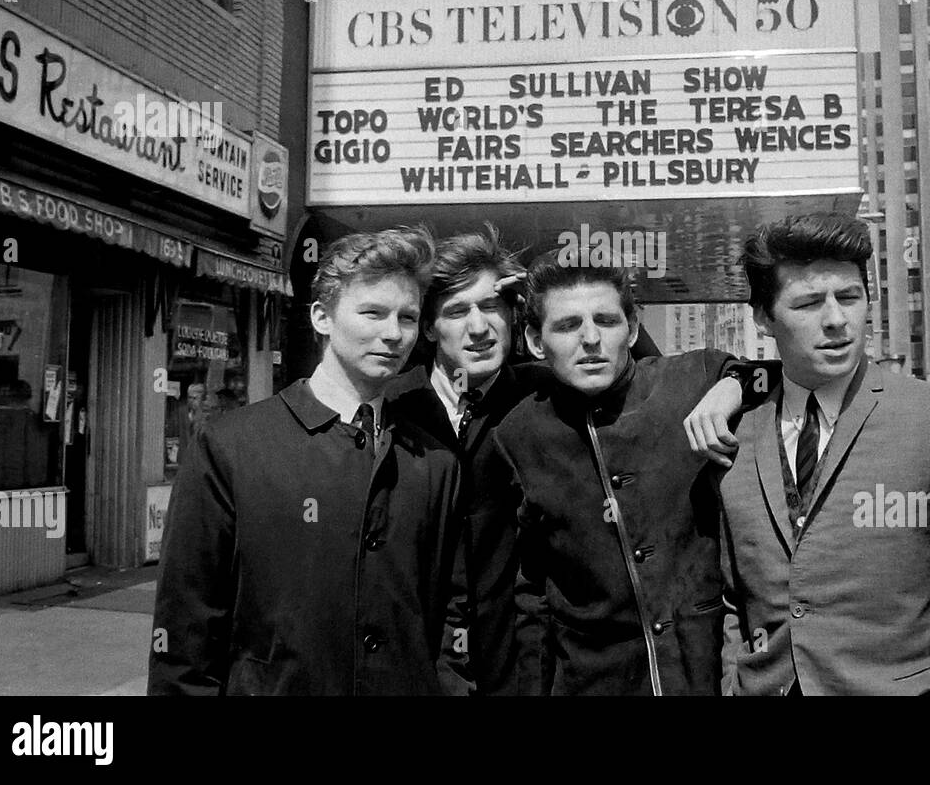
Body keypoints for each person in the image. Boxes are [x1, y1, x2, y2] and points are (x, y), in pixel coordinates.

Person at [716, 212, 930, 695]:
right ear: (763, 317)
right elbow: (737, 599)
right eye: (808, 303)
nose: (837, 320)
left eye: (849, 297)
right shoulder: (738, 433)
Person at [148, 228, 468, 695]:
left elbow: (450, 622)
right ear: (322, 317)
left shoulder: (436, 463)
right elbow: (187, 627)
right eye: (373, 313)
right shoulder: (231, 447)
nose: (394, 333)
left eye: (408, 317)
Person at [486, 249, 746, 695]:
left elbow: (776, 376)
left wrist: (732, 386)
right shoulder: (518, 435)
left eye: (606, 321)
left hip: (705, 671)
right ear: (533, 340)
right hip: (595, 680)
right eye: (567, 325)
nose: (591, 339)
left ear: (633, 328)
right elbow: (531, 591)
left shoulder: (691, 380)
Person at [386, 224, 545, 695]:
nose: (479, 328)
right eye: (457, 311)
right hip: (418, 665)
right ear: (430, 326)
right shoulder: (391, 407)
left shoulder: (542, 396)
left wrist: (537, 293)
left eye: (491, 307)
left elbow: (631, 368)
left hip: (516, 665)